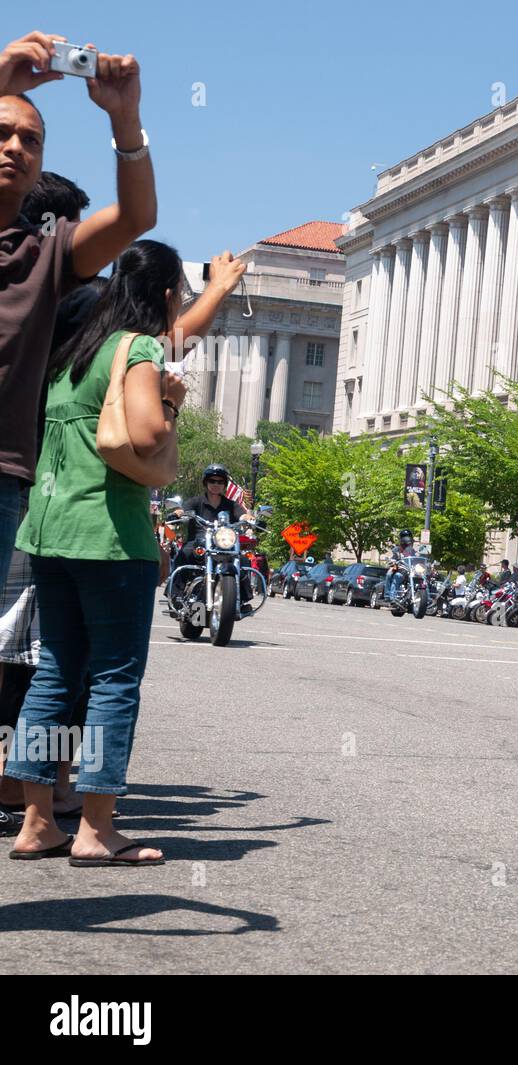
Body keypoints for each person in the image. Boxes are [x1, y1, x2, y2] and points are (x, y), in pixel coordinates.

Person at [7, 239, 185, 865]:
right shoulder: (137, 349)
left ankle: (35, 823)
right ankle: (96, 828)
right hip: (110, 538)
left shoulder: (69, 353)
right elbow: (144, 433)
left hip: (50, 532)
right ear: (165, 296)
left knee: (55, 671)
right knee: (113, 678)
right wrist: (169, 401)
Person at [0, 32, 157, 593]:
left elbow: (137, 216)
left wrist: (125, 119)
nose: (16, 146)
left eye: (31, 140)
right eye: (2, 133)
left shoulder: (47, 251)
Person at [384, 529, 418, 602]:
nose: (407, 539)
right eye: (405, 537)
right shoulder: (396, 550)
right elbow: (392, 558)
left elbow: (417, 559)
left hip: (411, 571)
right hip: (399, 569)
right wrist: (392, 561)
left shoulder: (413, 551)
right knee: (391, 575)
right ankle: (390, 596)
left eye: (408, 537)